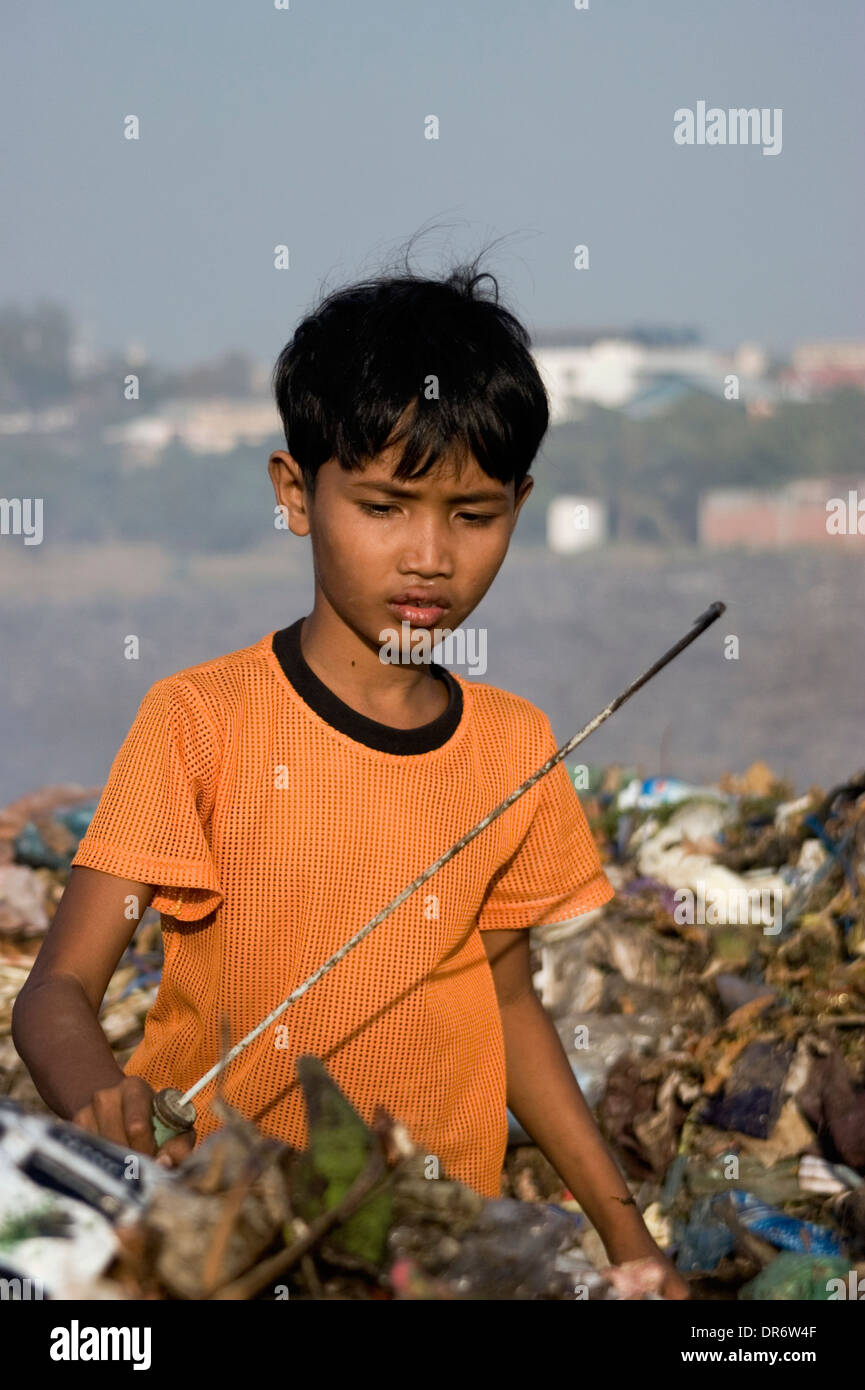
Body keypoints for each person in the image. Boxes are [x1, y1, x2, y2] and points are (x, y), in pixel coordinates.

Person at [12, 249, 688, 1298]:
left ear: (521, 503)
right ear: (296, 492)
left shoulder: (512, 746)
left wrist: (628, 1238)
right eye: (382, 507)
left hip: (425, 1248)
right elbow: (55, 988)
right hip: (226, 1237)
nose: (428, 556)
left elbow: (509, 1008)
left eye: (472, 516)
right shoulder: (201, 721)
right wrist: (97, 1093)